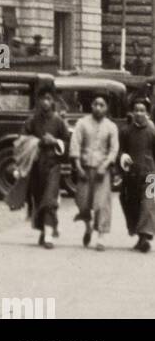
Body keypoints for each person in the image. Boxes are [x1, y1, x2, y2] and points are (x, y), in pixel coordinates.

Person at [22, 87, 71, 248]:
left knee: (49, 200)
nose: (45, 102)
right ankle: (44, 230)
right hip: (36, 165)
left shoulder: (58, 121)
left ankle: (49, 236)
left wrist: (55, 142)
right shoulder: (31, 121)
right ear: (38, 101)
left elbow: (67, 143)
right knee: (39, 198)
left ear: (53, 102)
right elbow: (22, 140)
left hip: (53, 166)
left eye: (49, 99)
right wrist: (35, 143)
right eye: (42, 98)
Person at [70, 93, 120, 250]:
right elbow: (75, 144)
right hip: (84, 168)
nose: (98, 108)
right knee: (83, 202)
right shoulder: (82, 123)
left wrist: (104, 166)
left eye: (102, 105)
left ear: (107, 108)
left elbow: (114, 149)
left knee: (101, 204)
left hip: (102, 171)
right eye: (95, 104)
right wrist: (78, 167)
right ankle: (88, 227)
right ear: (90, 106)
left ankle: (101, 237)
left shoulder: (111, 127)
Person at [118, 98, 155, 253]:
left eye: (142, 110)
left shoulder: (153, 131)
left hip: (150, 175)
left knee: (148, 203)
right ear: (132, 112)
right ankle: (139, 235)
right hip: (131, 175)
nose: (139, 113)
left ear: (147, 113)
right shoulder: (125, 131)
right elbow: (119, 151)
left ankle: (145, 236)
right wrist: (122, 156)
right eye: (136, 110)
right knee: (131, 203)